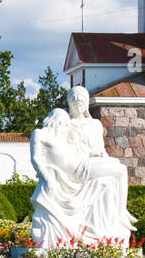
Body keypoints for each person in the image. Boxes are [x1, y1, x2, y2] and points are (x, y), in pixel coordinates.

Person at [29, 86, 135, 248]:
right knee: (120, 171)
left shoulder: (94, 124)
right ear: (69, 103)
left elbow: (99, 149)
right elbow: (51, 152)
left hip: (89, 161)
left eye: (81, 99)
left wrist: (99, 155)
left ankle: (118, 214)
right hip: (78, 168)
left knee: (115, 169)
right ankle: (121, 214)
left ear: (86, 102)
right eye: (74, 99)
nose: (78, 103)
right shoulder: (64, 124)